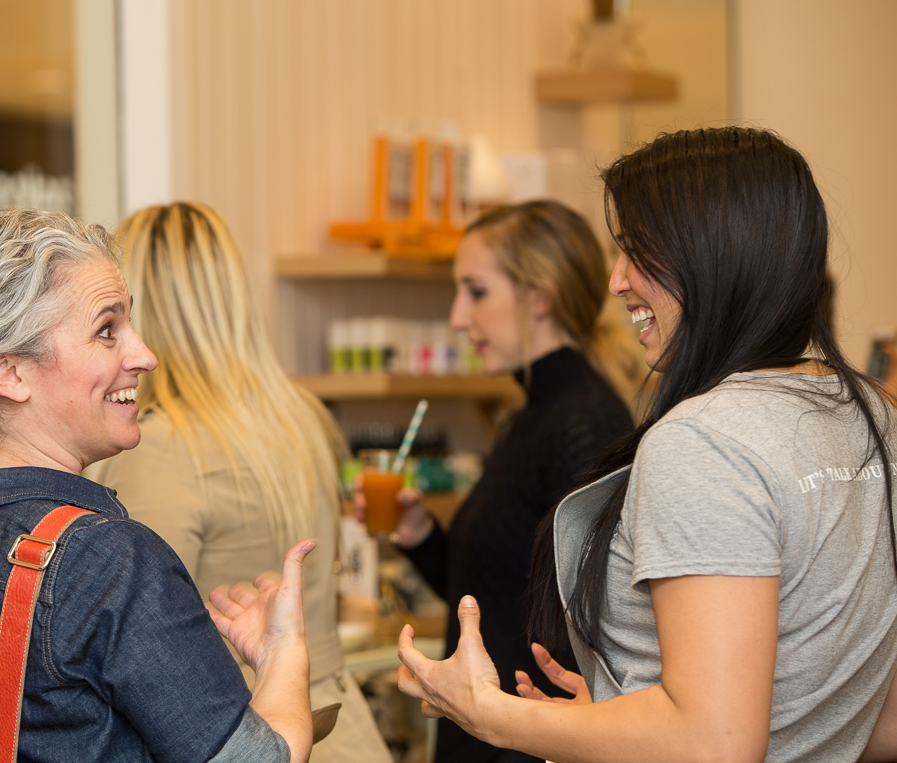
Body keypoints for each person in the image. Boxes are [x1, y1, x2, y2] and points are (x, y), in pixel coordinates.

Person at [396, 126, 897, 763]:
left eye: (638, 252)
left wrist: (490, 715)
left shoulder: (706, 441)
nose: (617, 282)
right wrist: (620, 713)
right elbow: (877, 722)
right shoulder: (868, 416)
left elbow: (712, 742)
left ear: (715, 256)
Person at [0, 207, 317, 763]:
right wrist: (285, 653)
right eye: (106, 330)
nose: (145, 356)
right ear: (9, 371)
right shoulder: (111, 563)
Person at [86, 201, 391, 763]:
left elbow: (134, 639)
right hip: (340, 729)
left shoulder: (162, 446)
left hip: (250, 740)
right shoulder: (298, 417)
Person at [357, 199, 641, 763]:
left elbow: (583, 628)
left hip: (526, 739)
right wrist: (420, 536)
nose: (459, 318)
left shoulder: (582, 423)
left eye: (477, 291)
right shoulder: (528, 416)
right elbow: (496, 596)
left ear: (540, 296)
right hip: (495, 730)